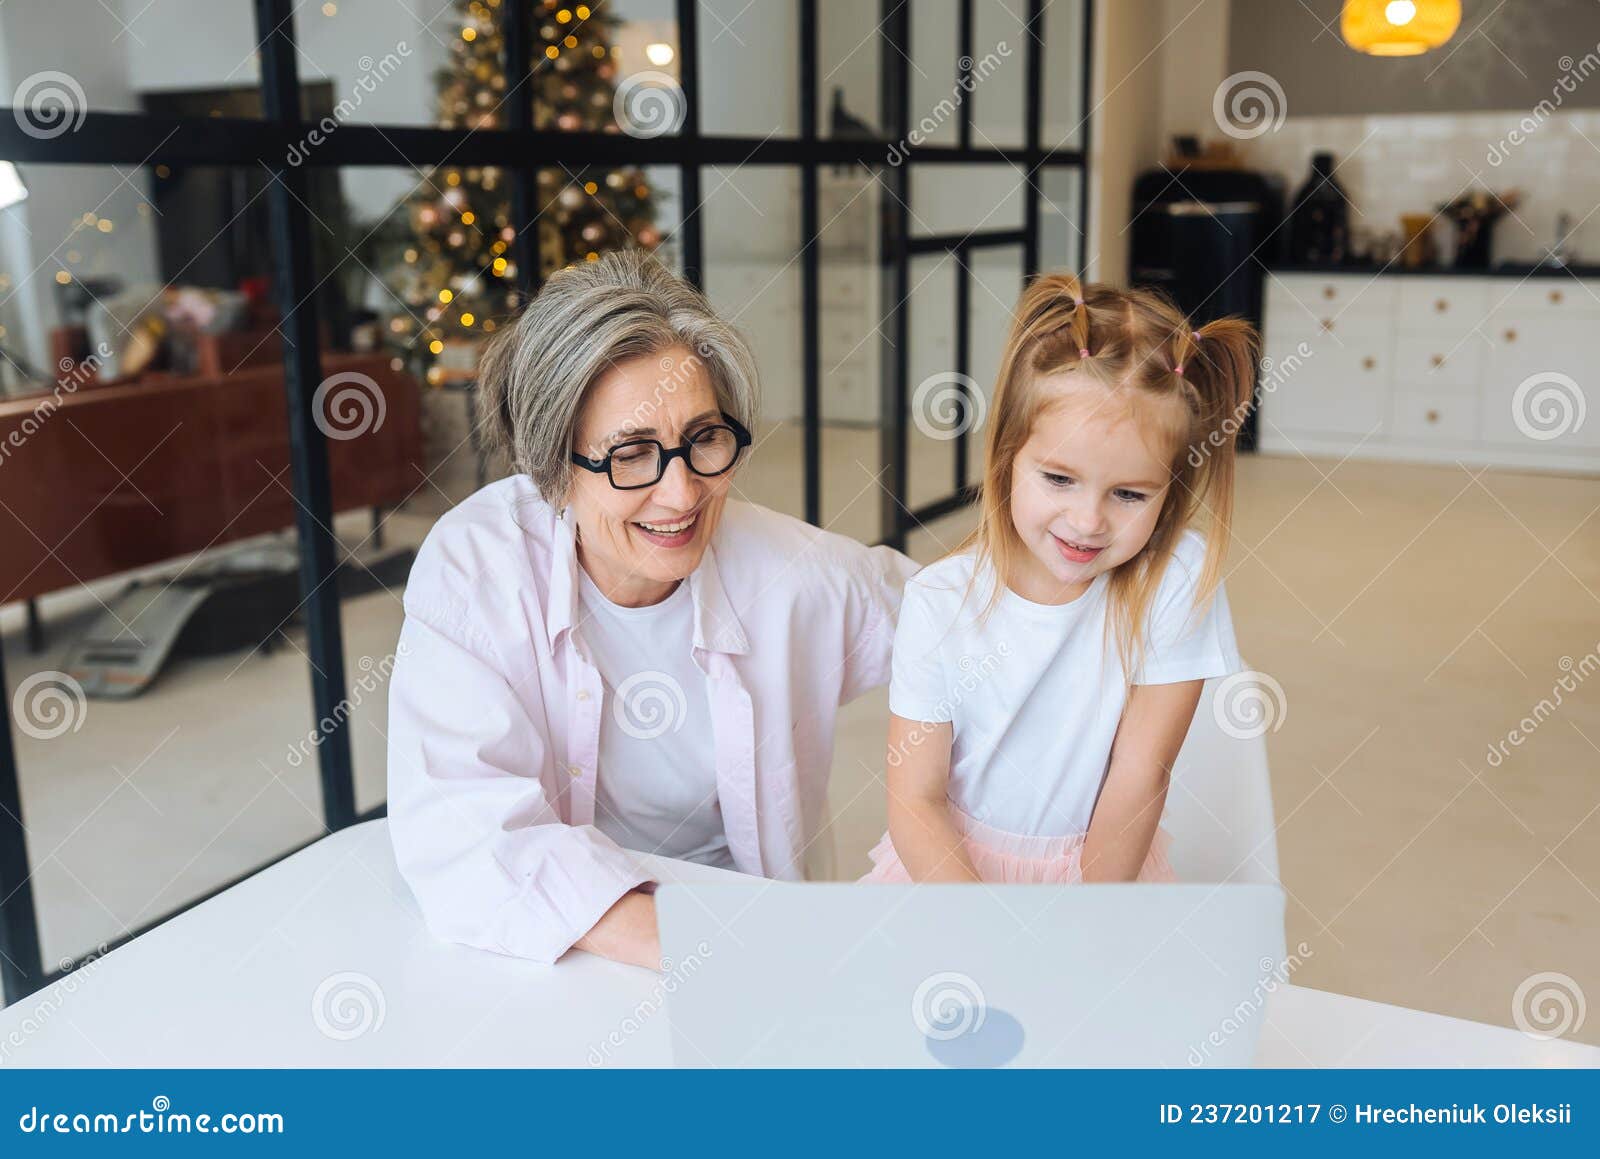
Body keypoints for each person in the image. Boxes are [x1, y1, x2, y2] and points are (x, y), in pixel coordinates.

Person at [387, 249, 915, 969]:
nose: (682, 494)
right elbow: (464, 830)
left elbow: (962, 625)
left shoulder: (787, 568)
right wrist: (712, 948)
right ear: (551, 468)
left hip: (753, 941)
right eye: (631, 453)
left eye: (702, 439)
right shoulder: (475, 573)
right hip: (573, 949)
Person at [864, 272, 1255, 884]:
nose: (1088, 521)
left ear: (1169, 492)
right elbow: (915, 798)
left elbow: (1140, 773)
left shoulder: (1176, 578)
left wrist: (1079, 926)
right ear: (1007, 456)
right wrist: (982, 925)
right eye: (1059, 479)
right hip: (951, 877)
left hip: (1103, 872)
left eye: (1128, 493)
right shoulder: (939, 601)